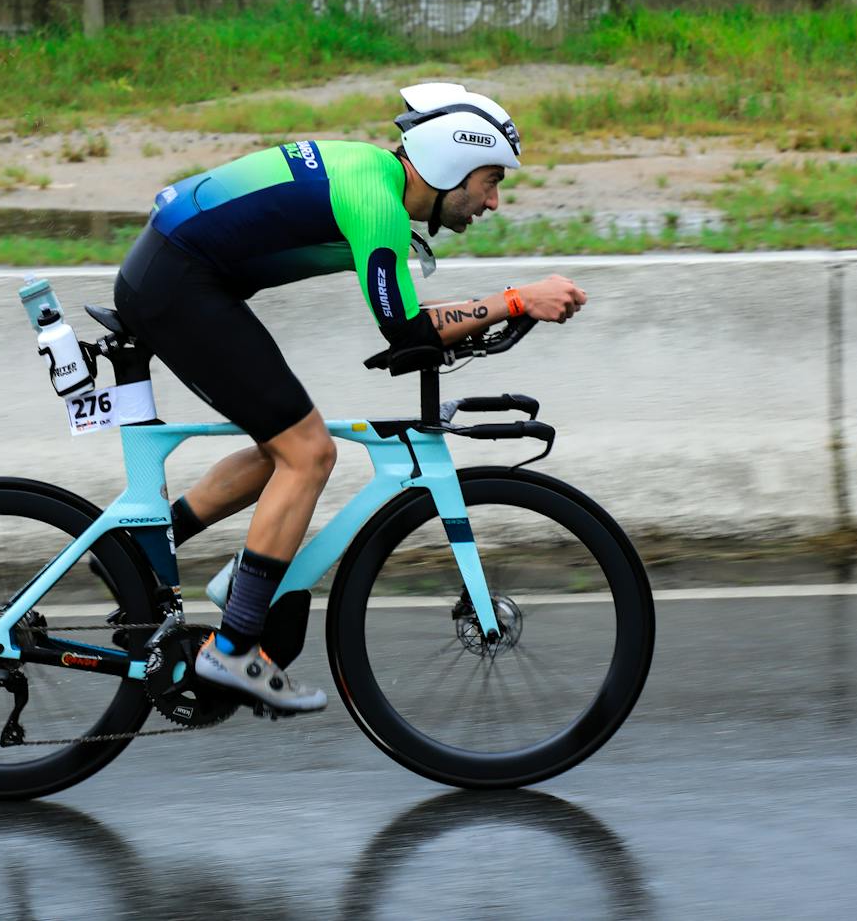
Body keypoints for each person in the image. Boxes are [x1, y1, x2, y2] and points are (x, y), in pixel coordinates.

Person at [113, 83, 589, 714]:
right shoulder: (377, 200)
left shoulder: (374, 177)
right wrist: (513, 300)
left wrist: (501, 307)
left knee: (285, 442)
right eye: (491, 180)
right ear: (451, 163)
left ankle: (141, 559)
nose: (493, 202)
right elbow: (405, 328)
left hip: (184, 276)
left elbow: (408, 319)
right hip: (179, 284)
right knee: (308, 454)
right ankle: (231, 647)